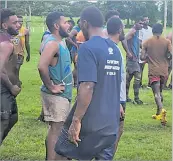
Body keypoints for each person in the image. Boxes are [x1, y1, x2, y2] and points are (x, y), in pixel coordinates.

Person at [55, 6, 122, 160]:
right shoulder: (115, 49)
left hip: (91, 123)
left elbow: (87, 86)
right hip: (111, 124)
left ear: (85, 23)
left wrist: (76, 120)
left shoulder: (87, 48)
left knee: (62, 153)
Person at [38, 11, 72, 160]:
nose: (69, 25)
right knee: (56, 130)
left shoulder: (58, 42)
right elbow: (42, 66)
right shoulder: (52, 43)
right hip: (56, 95)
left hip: (61, 95)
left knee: (56, 129)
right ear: (57, 25)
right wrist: (51, 86)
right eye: (65, 23)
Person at [141, 23, 172, 126]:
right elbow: (170, 55)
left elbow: (142, 57)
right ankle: (159, 114)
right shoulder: (167, 42)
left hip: (153, 70)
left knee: (156, 93)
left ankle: (161, 109)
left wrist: (147, 56)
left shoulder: (147, 42)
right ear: (162, 31)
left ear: (152, 30)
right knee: (161, 91)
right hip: (164, 71)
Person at [0, 8, 21, 145]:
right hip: (3, 90)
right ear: (4, 25)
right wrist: (11, 86)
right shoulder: (6, 44)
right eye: (14, 23)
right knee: (4, 121)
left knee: (12, 118)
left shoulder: (8, 41)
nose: (18, 25)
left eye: (18, 22)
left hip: (6, 91)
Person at [107, 17, 126, 155]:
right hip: (117, 99)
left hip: (116, 97)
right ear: (119, 29)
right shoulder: (114, 51)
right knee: (115, 133)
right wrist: (118, 101)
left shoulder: (111, 48)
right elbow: (113, 78)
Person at [125, 20, 143, 104]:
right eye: (140, 23)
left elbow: (139, 43)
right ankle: (136, 98)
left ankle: (125, 97)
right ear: (135, 23)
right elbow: (124, 39)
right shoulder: (132, 31)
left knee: (128, 78)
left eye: (142, 23)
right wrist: (128, 52)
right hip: (132, 59)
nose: (141, 25)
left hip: (134, 58)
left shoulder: (137, 32)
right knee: (137, 77)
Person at [139, 16, 152, 88]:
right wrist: (144, 50)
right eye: (145, 20)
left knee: (151, 68)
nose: (147, 21)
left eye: (147, 19)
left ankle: (150, 83)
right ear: (142, 21)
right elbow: (139, 41)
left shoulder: (150, 29)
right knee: (141, 67)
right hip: (143, 51)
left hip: (150, 51)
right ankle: (140, 83)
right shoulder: (141, 30)